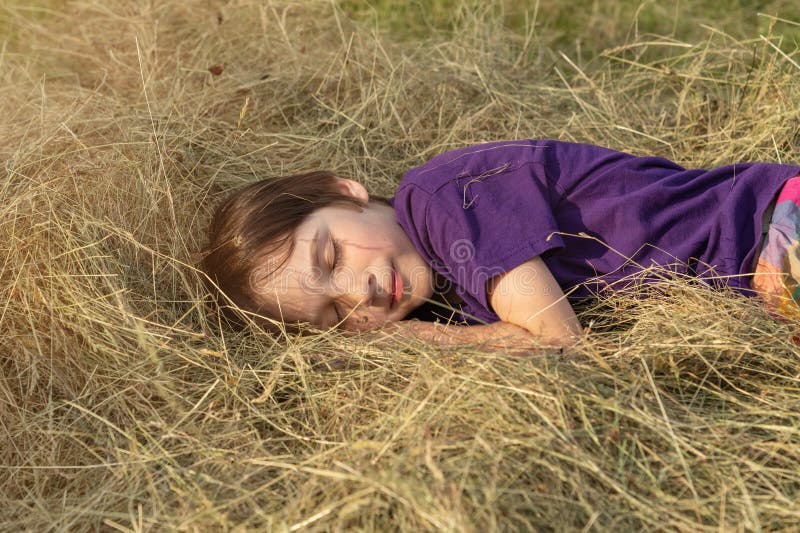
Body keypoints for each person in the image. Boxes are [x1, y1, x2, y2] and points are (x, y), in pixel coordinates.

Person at [200, 139, 800, 348]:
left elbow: (559, 345)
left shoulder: (440, 203)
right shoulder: (452, 286)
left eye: (330, 256)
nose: (363, 293)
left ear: (344, 191)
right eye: (334, 315)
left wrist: (424, 340)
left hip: (771, 228)